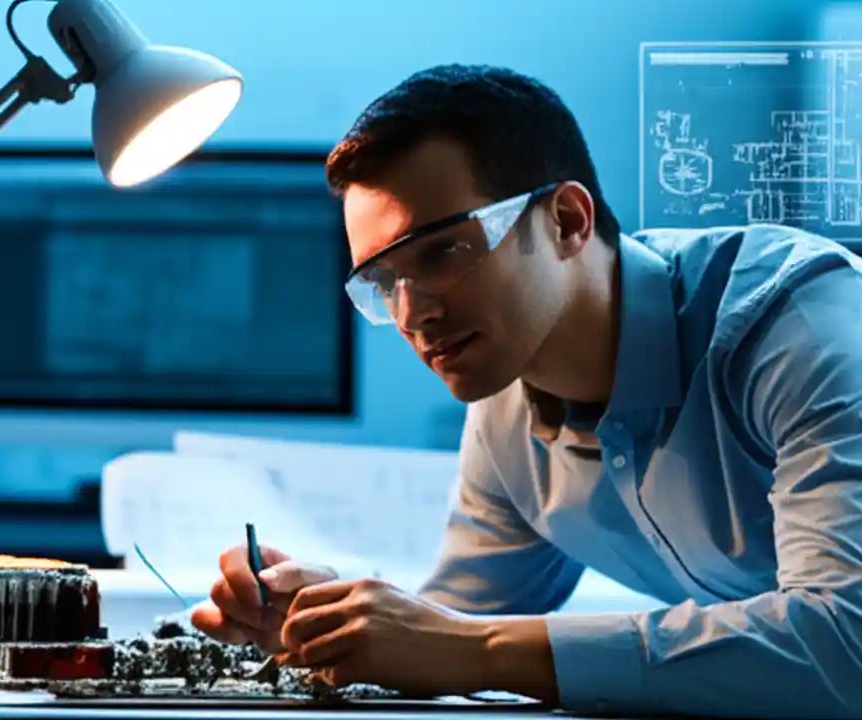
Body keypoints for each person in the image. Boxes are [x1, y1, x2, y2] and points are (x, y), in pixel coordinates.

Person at [189, 64, 862, 719]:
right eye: (383, 281)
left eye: (442, 252)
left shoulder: (803, 330)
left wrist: (466, 647)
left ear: (567, 221)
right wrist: (331, 629)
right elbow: (455, 636)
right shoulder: (503, 413)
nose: (411, 314)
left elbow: (845, 643)